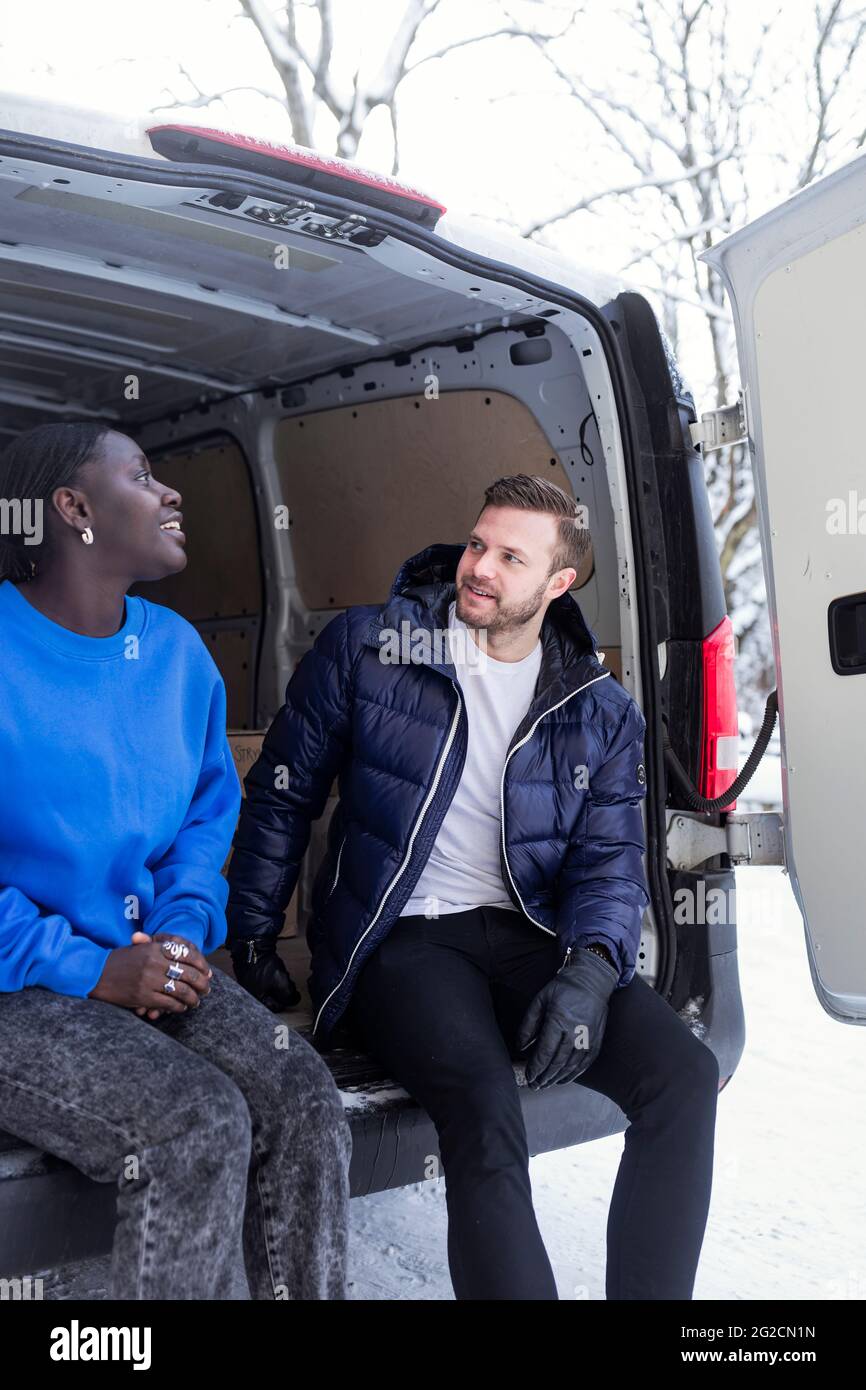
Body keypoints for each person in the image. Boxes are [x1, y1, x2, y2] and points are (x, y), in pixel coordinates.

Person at [226, 472, 720, 1301]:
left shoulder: (599, 709)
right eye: (478, 543)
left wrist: (591, 974)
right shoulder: (371, 645)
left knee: (685, 1076)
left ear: (558, 584)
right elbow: (284, 789)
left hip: (526, 935)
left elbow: (609, 861)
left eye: (510, 556)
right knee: (484, 1104)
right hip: (402, 938)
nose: (480, 567)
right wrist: (252, 927)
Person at [0, 422, 351, 1300]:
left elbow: (205, 814)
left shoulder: (176, 657)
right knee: (195, 1124)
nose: (171, 494)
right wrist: (94, 970)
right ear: (74, 509)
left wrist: (182, 934)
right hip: (16, 983)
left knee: (303, 1098)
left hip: (151, 955)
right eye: (143, 476)